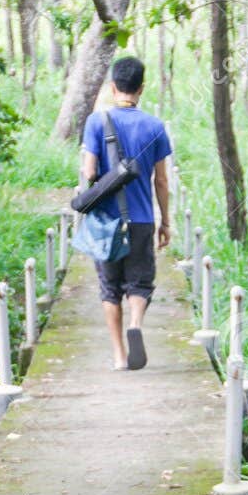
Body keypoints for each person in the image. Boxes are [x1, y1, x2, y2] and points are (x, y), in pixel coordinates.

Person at [77, 56, 173, 371]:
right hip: (142, 219)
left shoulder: (95, 122)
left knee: (109, 287)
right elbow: (161, 180)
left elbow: (90, 172)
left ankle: (119, 356)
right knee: (140, 282)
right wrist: (166, 222)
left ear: (112, 86)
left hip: (106, 222)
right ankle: (136, 323)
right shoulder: (155, 127)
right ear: (141, 88)